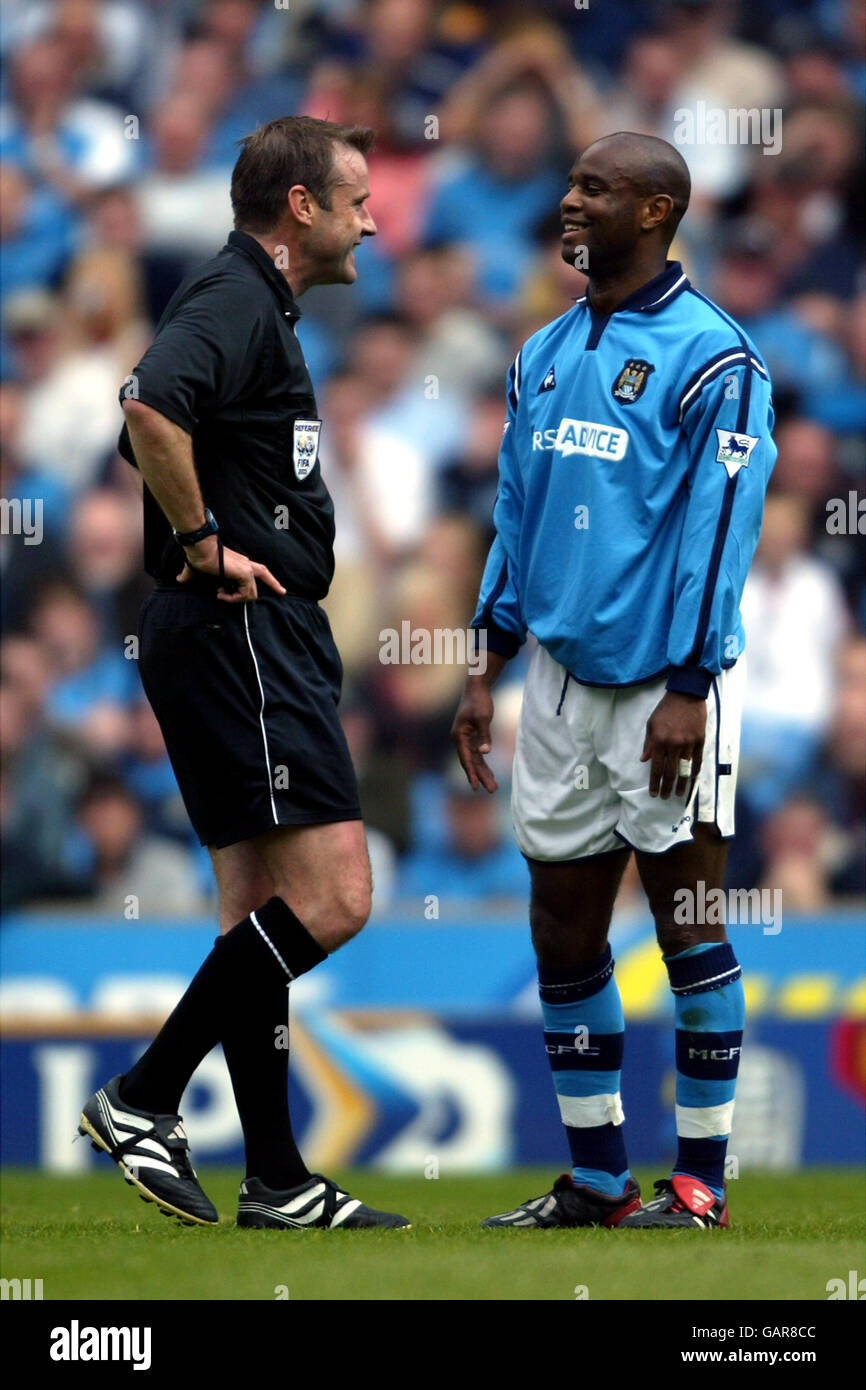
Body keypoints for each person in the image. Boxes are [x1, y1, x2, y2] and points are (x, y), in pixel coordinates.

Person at [79, 116, 409, 1231]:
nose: (375, 216)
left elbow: (163, 414)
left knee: (256, 910)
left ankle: (276, 1176)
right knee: (336, 900)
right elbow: (146, 408)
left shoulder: (253, 303)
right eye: (356, 195)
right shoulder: (232, 296)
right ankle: (142, 1096)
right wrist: (205, 540)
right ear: (300, 208)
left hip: (220, 634)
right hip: (241, 630)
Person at [452, 131, 776, 1230]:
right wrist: (482, 660)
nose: (570, 199)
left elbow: (719, 528)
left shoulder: (717, 360)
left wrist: (690, 680)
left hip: (662, 687)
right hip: (553, 681)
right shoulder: (539, 350)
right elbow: (513, 512)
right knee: (563, 928)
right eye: (573, 181)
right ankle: (597, 1178)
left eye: (595, 187)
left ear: (657, 209)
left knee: (686, 917)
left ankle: (699, 1183)